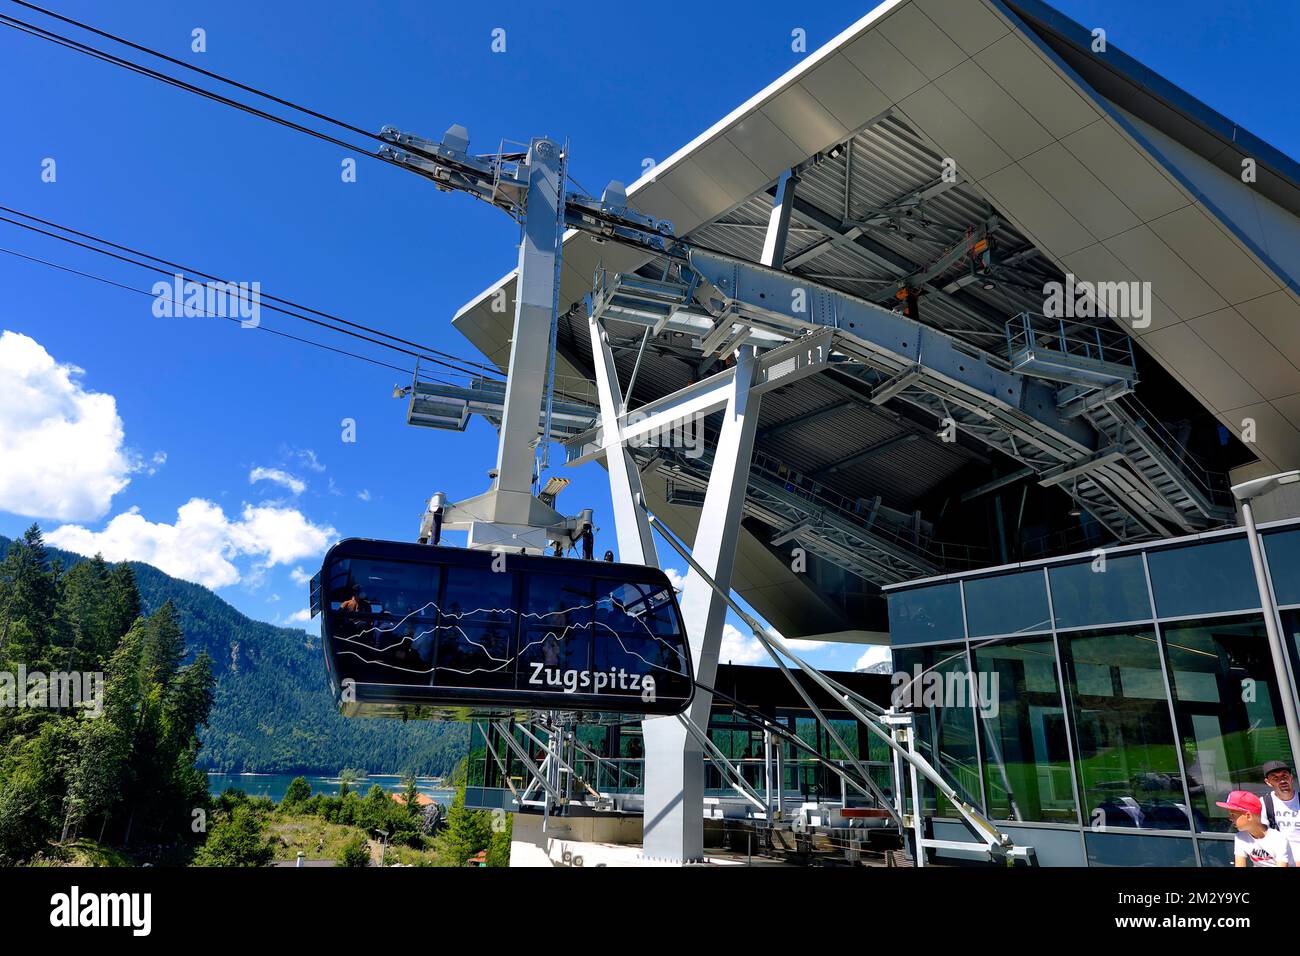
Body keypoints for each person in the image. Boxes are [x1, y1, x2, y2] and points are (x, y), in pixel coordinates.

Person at [1217, 791, 1291, 867]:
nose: (1230, 819)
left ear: (1248, 816)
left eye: (1233, 815)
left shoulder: (1279, 839)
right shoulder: (1240, 837)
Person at [1261, 759, 1300, 862]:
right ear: (1268, 782)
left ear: (1291, 778)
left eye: (1284, 776)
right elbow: (1260, 839)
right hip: (1279, 861)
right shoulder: (1263, 804)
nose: (1282, 781)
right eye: (1275, 778)